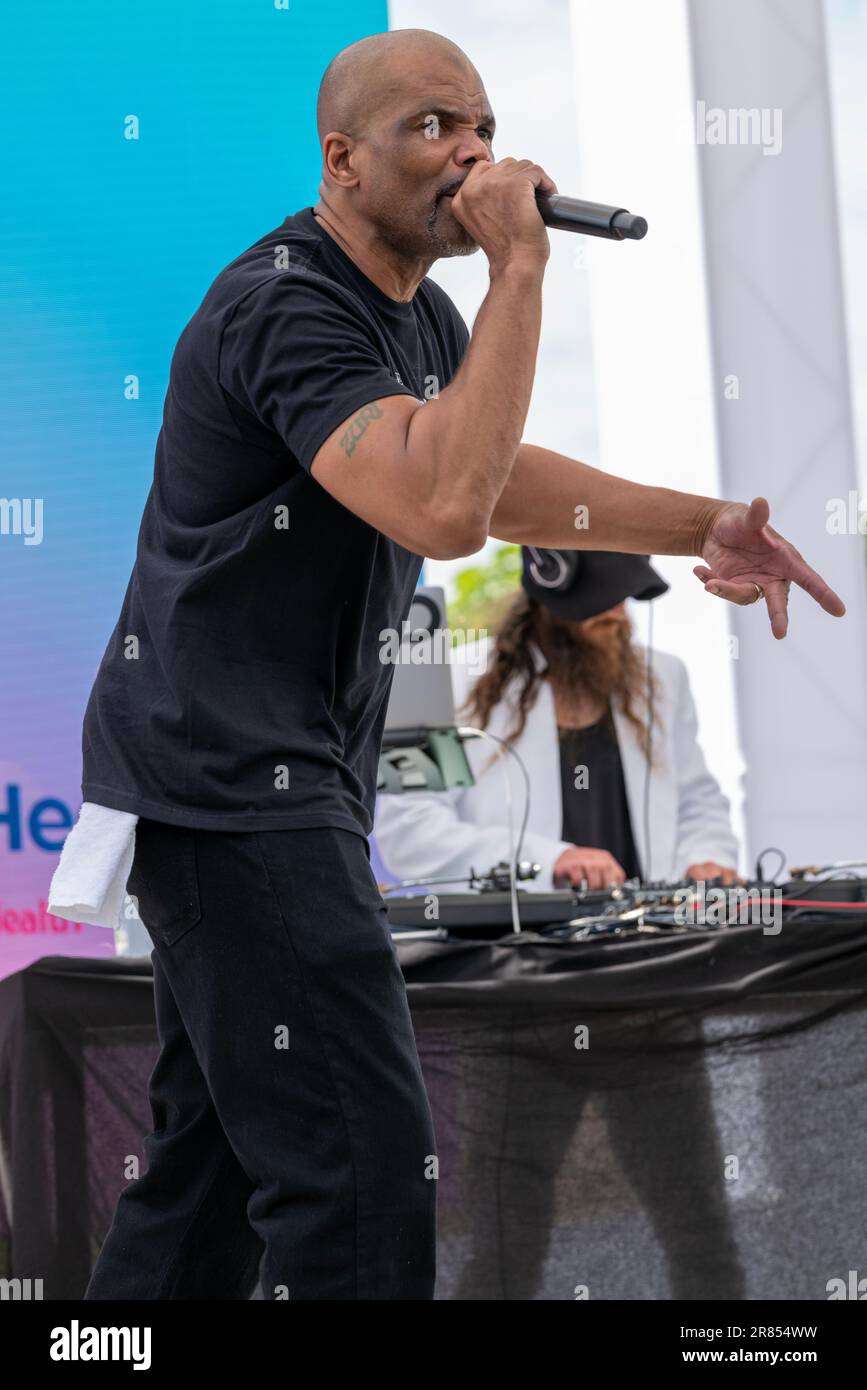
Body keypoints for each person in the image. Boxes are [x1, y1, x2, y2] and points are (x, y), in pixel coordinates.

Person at [81, 28, 844, 1301]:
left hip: (261, 783)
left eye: (482, 125)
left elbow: (494, 481)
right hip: (232, 786)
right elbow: (440, 506)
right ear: (343, 161)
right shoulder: (283, 302)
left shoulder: (423, 318)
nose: (475, 153)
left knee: (202, 1184)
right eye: (435, 127)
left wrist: (697, 523)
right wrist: (525, 268)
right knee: (366, 1171)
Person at [375, 548, 740, 892]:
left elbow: (697, 801)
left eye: (623, 597)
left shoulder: (663, 676)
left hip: (647, 938)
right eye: (601, 599)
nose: (618, 615)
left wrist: (705, 859)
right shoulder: (445, 677)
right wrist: (548, 861)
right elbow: (409, 828)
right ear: (549, 593)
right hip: (513, 948)